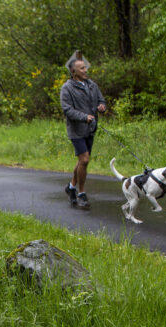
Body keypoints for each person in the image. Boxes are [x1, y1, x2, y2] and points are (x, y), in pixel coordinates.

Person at [60, 51, 106, 209]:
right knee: (85, 160)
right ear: (73, 72)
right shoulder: (66, 89)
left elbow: (101, 100)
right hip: (76, 131)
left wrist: (102, 107)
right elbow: (67, 110)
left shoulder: (92, 85)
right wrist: (84, 116)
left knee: (82, 162)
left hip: (91, 129)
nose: (85, 70)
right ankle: (81, 192)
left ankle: (71, 187)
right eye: (81, 68)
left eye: (85, 67)